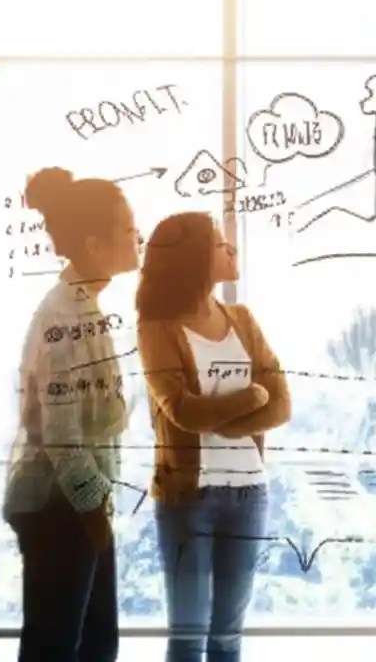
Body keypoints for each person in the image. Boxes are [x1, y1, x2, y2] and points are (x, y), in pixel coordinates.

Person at [136, 211, 290, 662]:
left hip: (249, 493)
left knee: (227, 638)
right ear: (194, 257)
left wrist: (223, 420)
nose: (231, 250)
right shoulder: (155, 328)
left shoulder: (242, 319)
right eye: (221, 243)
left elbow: (280, 404)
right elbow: (182, 410)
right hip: (187, 496)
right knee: (187, 637)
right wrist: (250, 397)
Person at [4, 168, 141, 662]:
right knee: (61, 647)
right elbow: (61, 434)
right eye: (127, 231)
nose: (137, 239)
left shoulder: (84, 308)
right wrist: (93, 509)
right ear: (94, 244)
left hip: (74, 503)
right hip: (59, 506)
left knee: (90, 644)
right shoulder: (65, 315)